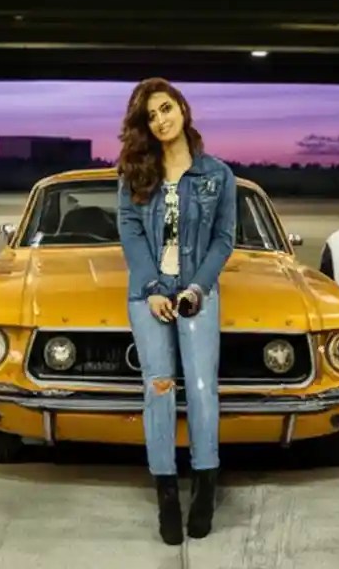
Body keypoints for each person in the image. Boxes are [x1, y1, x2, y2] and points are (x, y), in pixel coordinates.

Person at [116, 77, 237, 545]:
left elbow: (224, 238)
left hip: (197, 292)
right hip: (148, 294)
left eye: (166, 108)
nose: (161, 119)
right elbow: (130, 233)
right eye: (151, 115)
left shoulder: (218, 175)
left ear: (182, 108)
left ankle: (205, 487)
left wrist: (196, 288)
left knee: (203, 387)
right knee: (160, 387)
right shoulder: (134, 174)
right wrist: (151, 287)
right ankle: (166, 492)